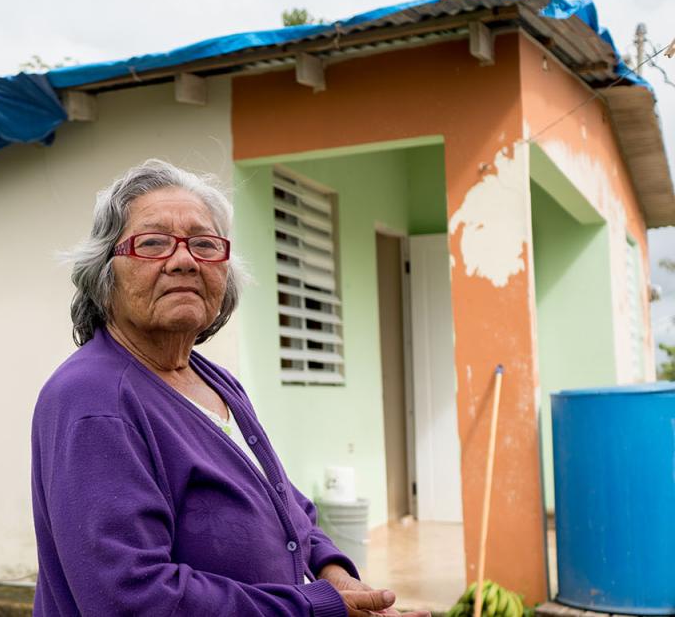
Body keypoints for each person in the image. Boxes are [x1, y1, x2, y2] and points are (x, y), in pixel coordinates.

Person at [31, 159, 425, 616]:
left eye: (203, 244)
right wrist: (313, 608)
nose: (184, 261)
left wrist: (331, 570)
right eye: (153, 243)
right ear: (105, 273)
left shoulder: (212, 379)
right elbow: (132, 598)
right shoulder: (95, 399)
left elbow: (283, 503)